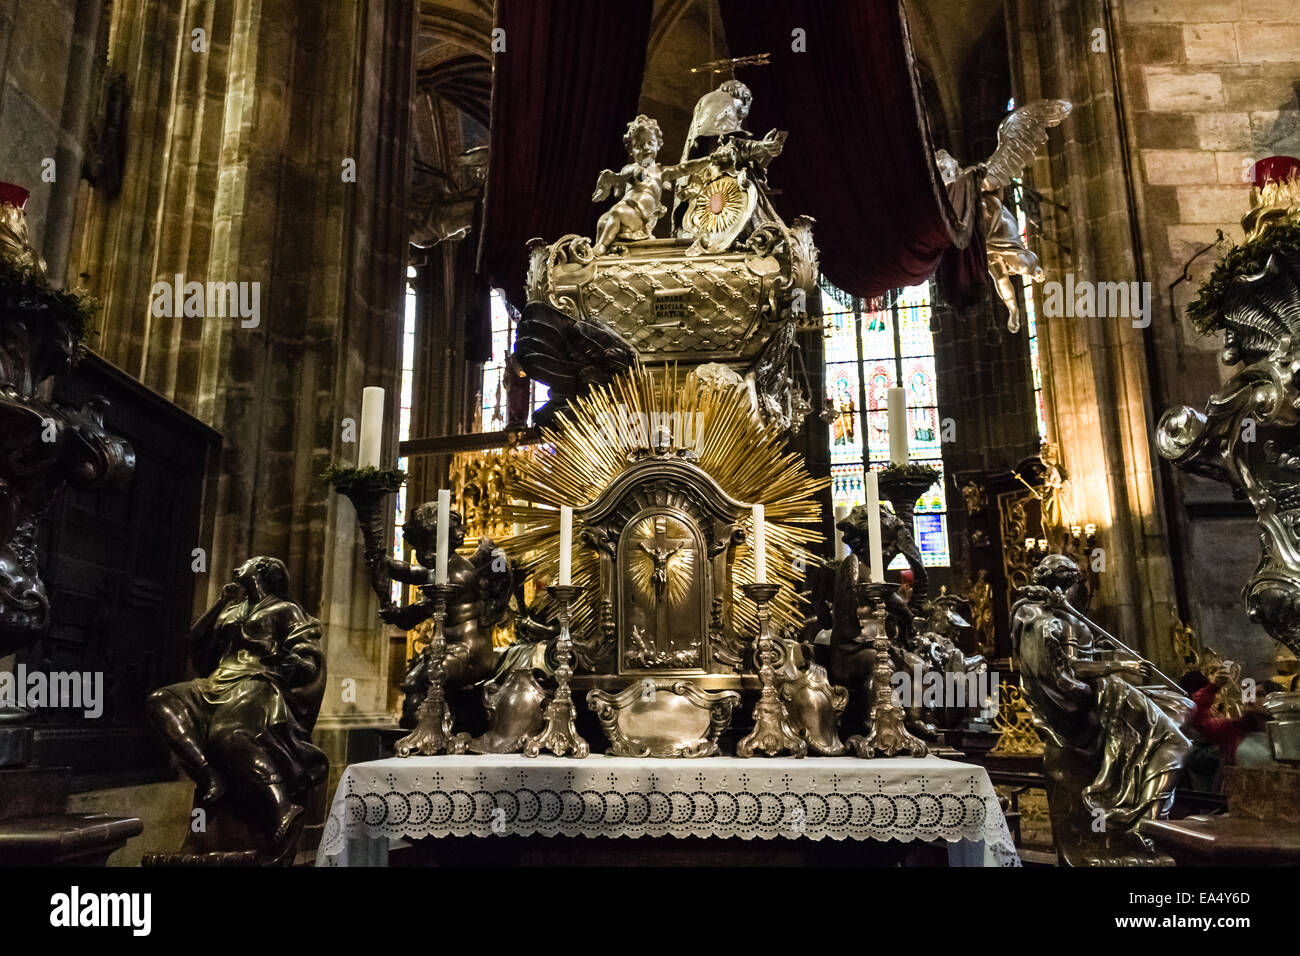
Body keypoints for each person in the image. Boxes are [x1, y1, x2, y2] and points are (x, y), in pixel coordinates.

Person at [147, 556, 327, 844]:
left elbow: (307, 656)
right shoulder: (232, 608)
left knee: (226, 735)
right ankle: (209, 775)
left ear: (262, 571)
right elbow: (195, 639)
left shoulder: (285, 608)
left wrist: (292, 660)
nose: (237, 566)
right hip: (216, 680)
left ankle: (282, 806)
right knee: (162, 700)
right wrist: (220, 602)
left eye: (248, 563)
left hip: (257, 681)